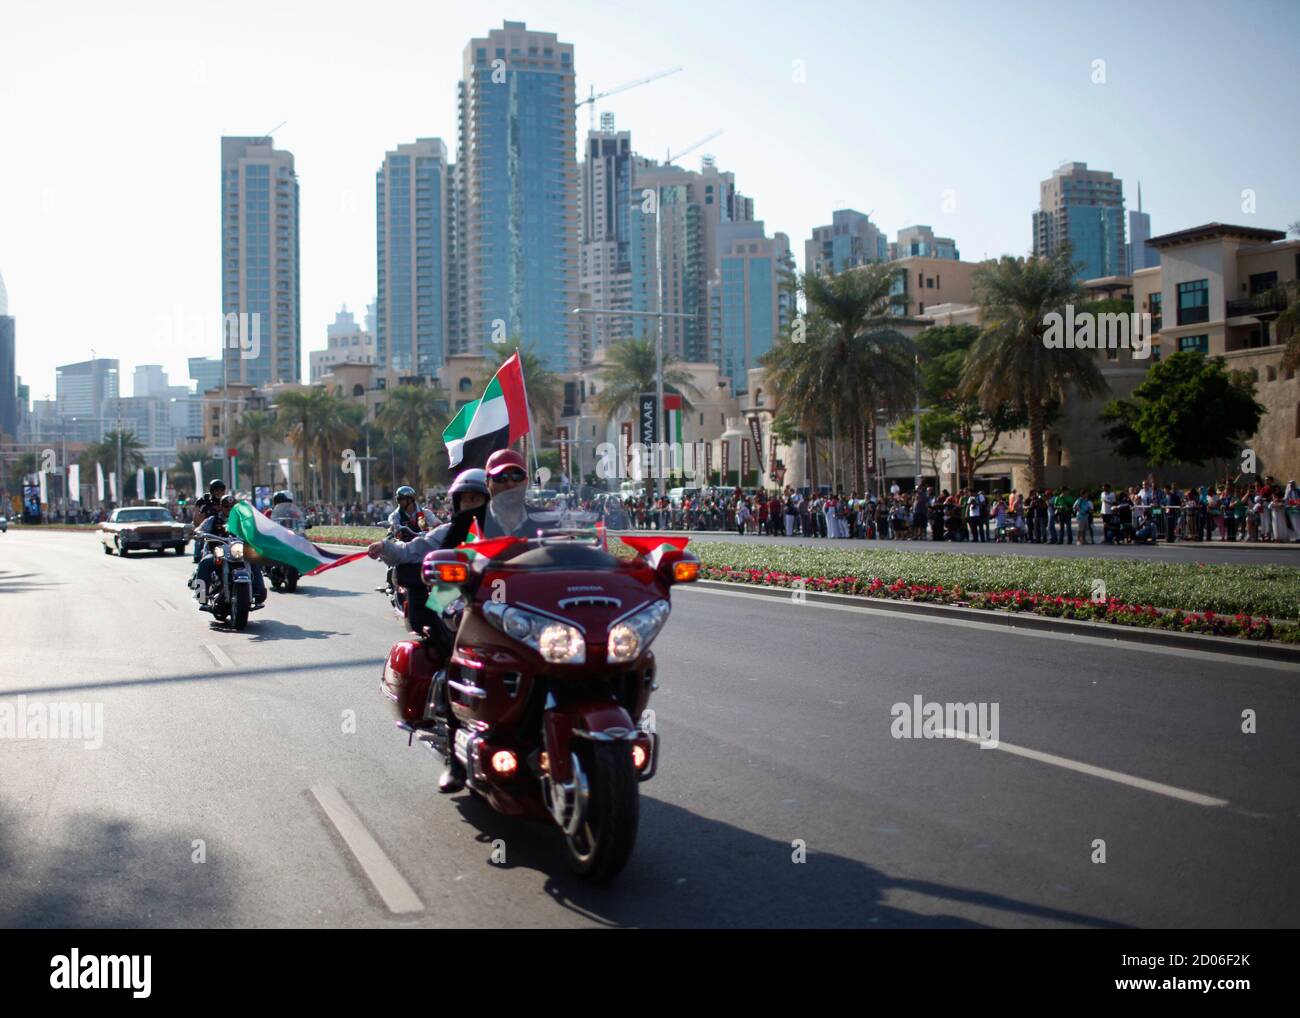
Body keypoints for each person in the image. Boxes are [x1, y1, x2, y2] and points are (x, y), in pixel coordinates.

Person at [191, 494, 267, 605]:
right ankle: (201, 595)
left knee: (254, 561)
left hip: (238, 551)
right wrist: (198, 532)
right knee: (204, 563)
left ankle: (259, 593)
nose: (229, 509)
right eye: (226, 506)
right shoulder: (213, 519)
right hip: (218, 551)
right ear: (221, 507)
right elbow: (200, 528)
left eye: (232, 506)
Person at [192, 479, 227, 563]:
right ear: (212, 491)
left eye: (221, 490)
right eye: (217, 490)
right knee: (203, 557)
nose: (219, 492)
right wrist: (197, 507)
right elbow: (197, 524)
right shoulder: (206, 507)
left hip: (227, 536)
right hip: (211, 537)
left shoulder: (227, 503)